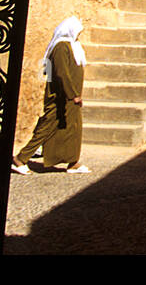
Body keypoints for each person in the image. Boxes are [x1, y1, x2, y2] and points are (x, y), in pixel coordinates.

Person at [12, 16, 89, 174]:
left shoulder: (73, 46)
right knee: (48, 127)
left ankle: (72, 161)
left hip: (69, 97)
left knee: (72, 128)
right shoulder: (61, 47)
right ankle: (20, 159)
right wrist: (72, 94)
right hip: (62, 96)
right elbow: (61, 73)